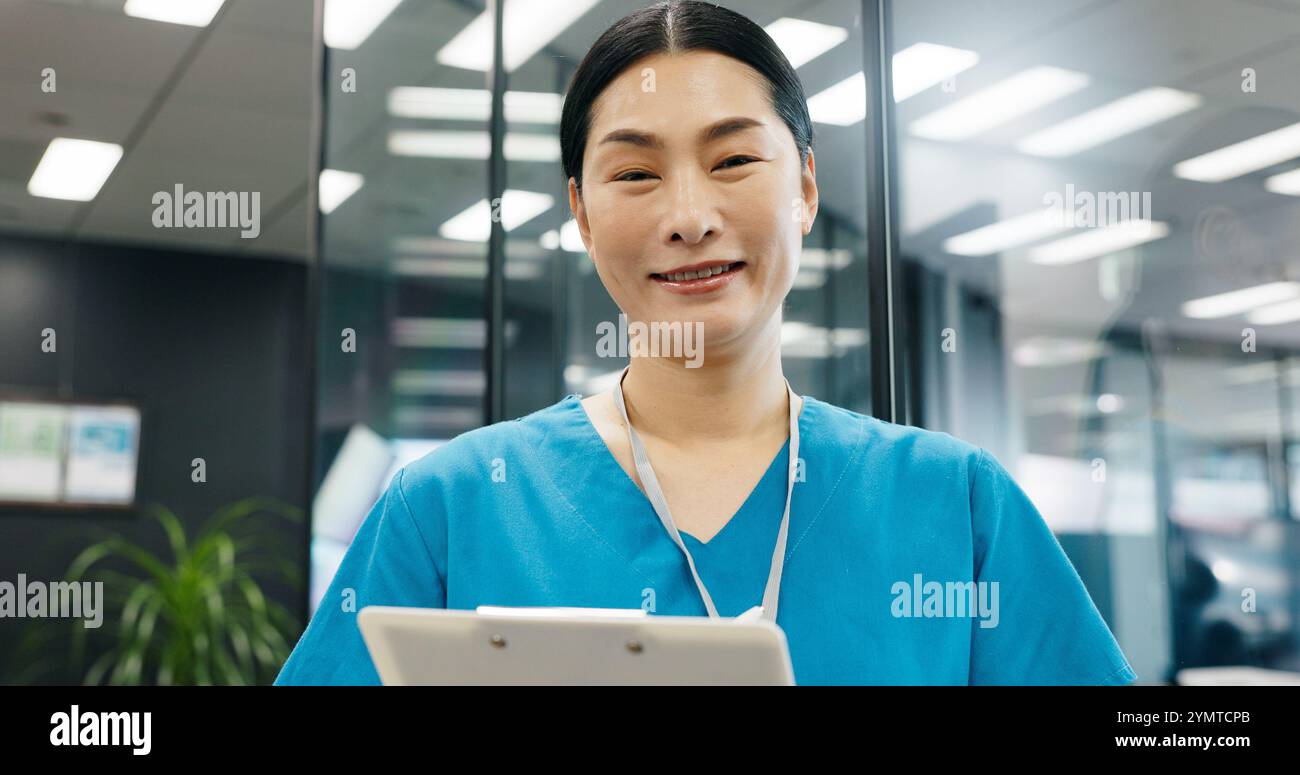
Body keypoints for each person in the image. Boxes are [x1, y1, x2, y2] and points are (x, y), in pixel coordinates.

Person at [275, 0, 1136, 686]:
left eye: (731, 162)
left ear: (804, 186)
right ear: (579, 212)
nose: (689, 217)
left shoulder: (956, 506)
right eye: (636, 173)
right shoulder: (450, 508)